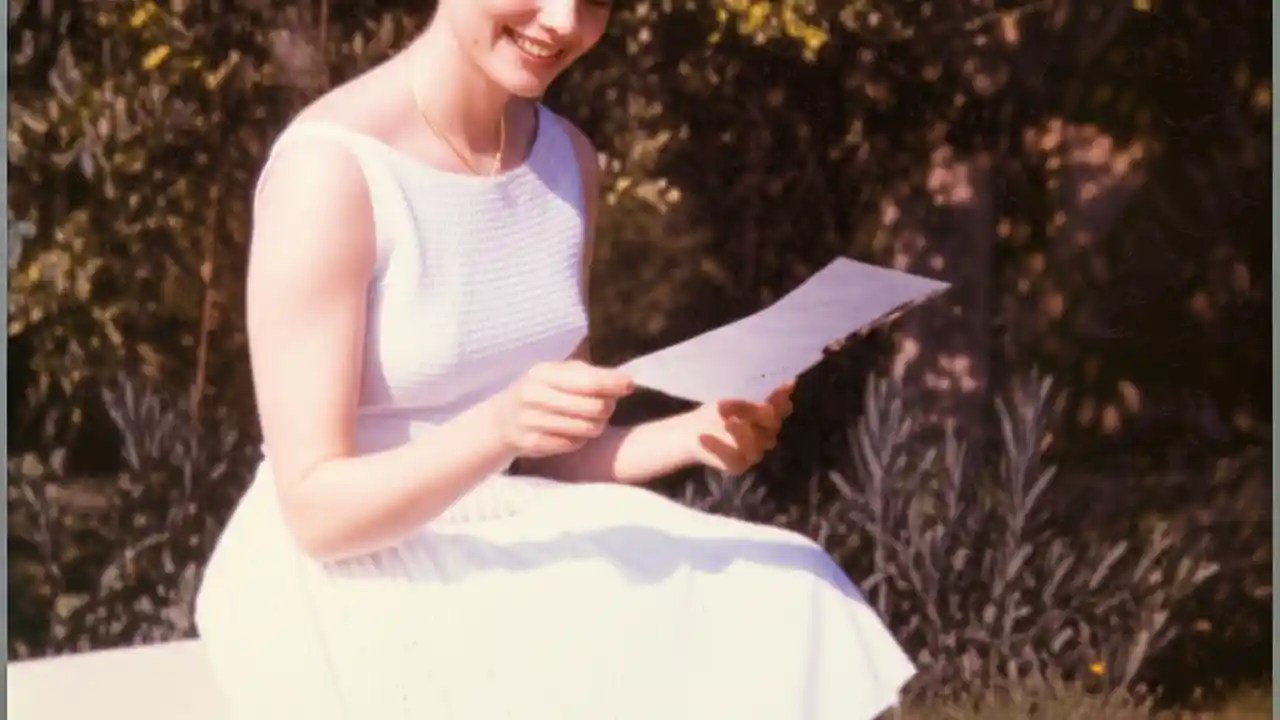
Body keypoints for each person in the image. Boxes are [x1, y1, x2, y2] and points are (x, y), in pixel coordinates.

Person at [193, 1, 916, 717]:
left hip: (507, 522)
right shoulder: (330, 169)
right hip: (346, 572)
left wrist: (693, 435)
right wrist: (496, 429)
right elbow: (316, 513)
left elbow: (547, 448)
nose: (565, 22)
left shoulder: (565, 157)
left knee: (792, 582)